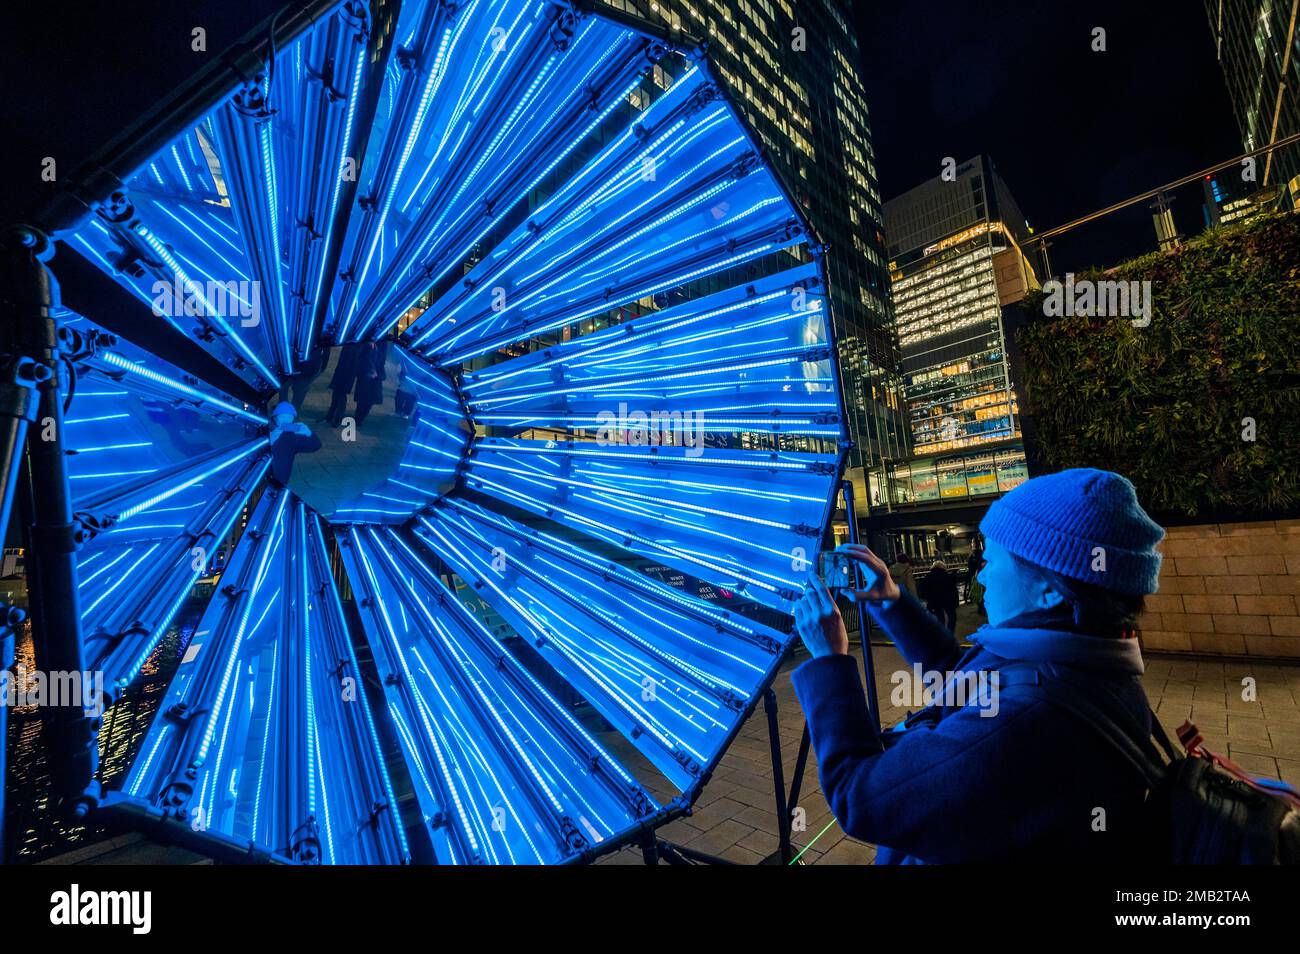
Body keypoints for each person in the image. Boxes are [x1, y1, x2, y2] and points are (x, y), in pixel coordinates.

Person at [790, 468, 1164, 863]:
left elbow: (860, 798)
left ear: (1049, 588)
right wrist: (891, 602)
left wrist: (830, 663)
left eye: (990, 560)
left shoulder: (1027, 720)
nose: (982, 576)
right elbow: (964, 684)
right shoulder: (1074, 660)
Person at [267, 402, 321, 485]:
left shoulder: (291, 437)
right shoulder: (264, 426)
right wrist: (272, 437)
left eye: (289, 417)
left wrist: (308, 433)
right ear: (275, 417)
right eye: (283, 416)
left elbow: (316, 445)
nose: (286, 420)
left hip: (280, 479)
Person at [327, 342, 364, 426]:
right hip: (343, 369)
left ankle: (337, 418)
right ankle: (331, 416)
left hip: (349, 372)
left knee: (341, 395)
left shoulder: (359, 345)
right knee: (337, 394)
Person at [352, 340, 388, 426]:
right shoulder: (368, 340)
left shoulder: (383, 341)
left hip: (376, 375)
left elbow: (382, 358)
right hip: (365, 373)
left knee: (370, 399)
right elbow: (361, 355)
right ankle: (358, 418)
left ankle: (360, 417)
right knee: (362, 398)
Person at [918, 560, 959, 633]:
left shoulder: (928, 577)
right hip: (948, 601)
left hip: (935, 602)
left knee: (940, 620)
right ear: (943, 567)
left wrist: (928, 599)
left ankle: (942, 635)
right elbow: (954, 591)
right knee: (952, 617)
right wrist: (956, 603)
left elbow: (922, 590)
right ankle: (950, 633)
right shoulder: (948, 576)